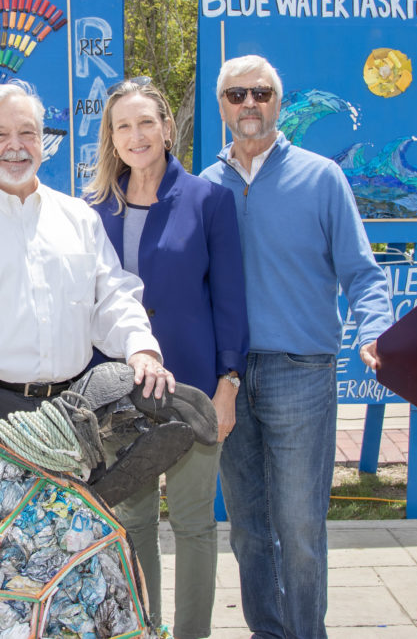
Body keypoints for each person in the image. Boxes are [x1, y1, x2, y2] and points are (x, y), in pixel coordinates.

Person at [200, 54, 393, 639]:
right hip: (226, 379)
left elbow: (363, 273)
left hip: (301, 373)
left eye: (261, 92)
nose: (250, 103)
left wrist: (374, 330)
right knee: (248, 529)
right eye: (237, 95)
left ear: (279, 103)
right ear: (223, 107)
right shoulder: (205, 188)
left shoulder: (321, 177)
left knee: (301, 529)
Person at [86, 77, 248, 639]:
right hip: (117, 395)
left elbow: (230, 300)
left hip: (193, 391)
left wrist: (228, 384)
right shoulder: (92, 211)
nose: (136, 135)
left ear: (167, 128)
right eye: (123, 125)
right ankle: (143, 630)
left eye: (146, 122)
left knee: (194, 525)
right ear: (111, 137)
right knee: (130, 524)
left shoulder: (210, 200)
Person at [0, 80, 173, 439]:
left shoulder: (79, 217)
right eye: (0, 135)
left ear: (43, 142)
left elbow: (112, 297)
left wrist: (141, 349)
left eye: (28, 132)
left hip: (74, 413)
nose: (16, 146)